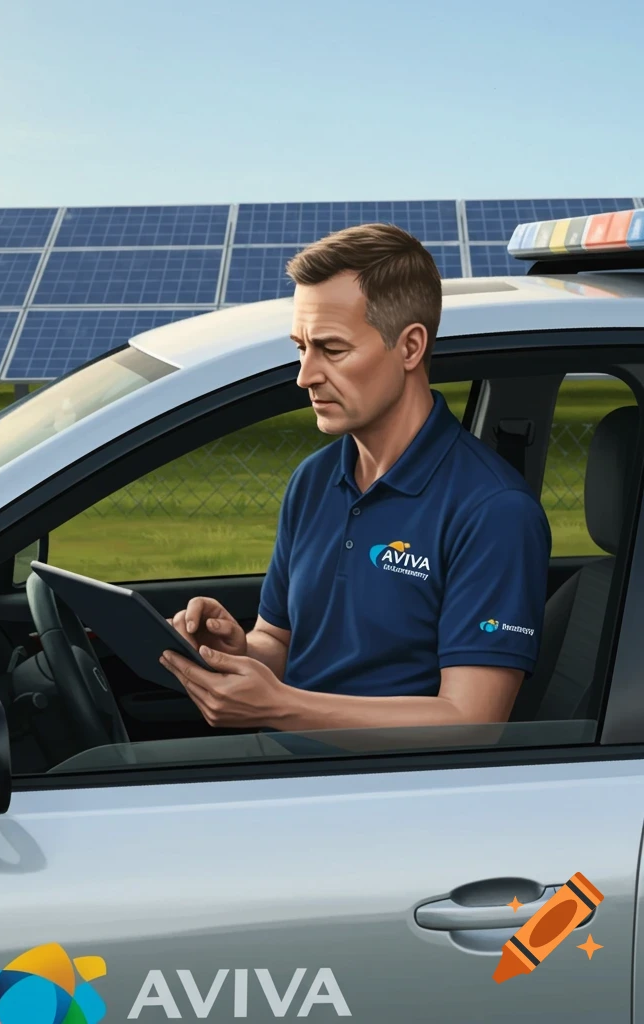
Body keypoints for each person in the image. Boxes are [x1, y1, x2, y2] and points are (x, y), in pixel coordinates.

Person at [160, 223, 551, 733]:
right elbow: (278, 643)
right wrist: (234, 648)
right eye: (301, 347)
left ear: (410, 348)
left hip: (392, 800)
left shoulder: (493, 511)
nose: (305, 375)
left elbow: (472, 719)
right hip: (293, 772)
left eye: (332, 349)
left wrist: (279, 707)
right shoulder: (313, 480)